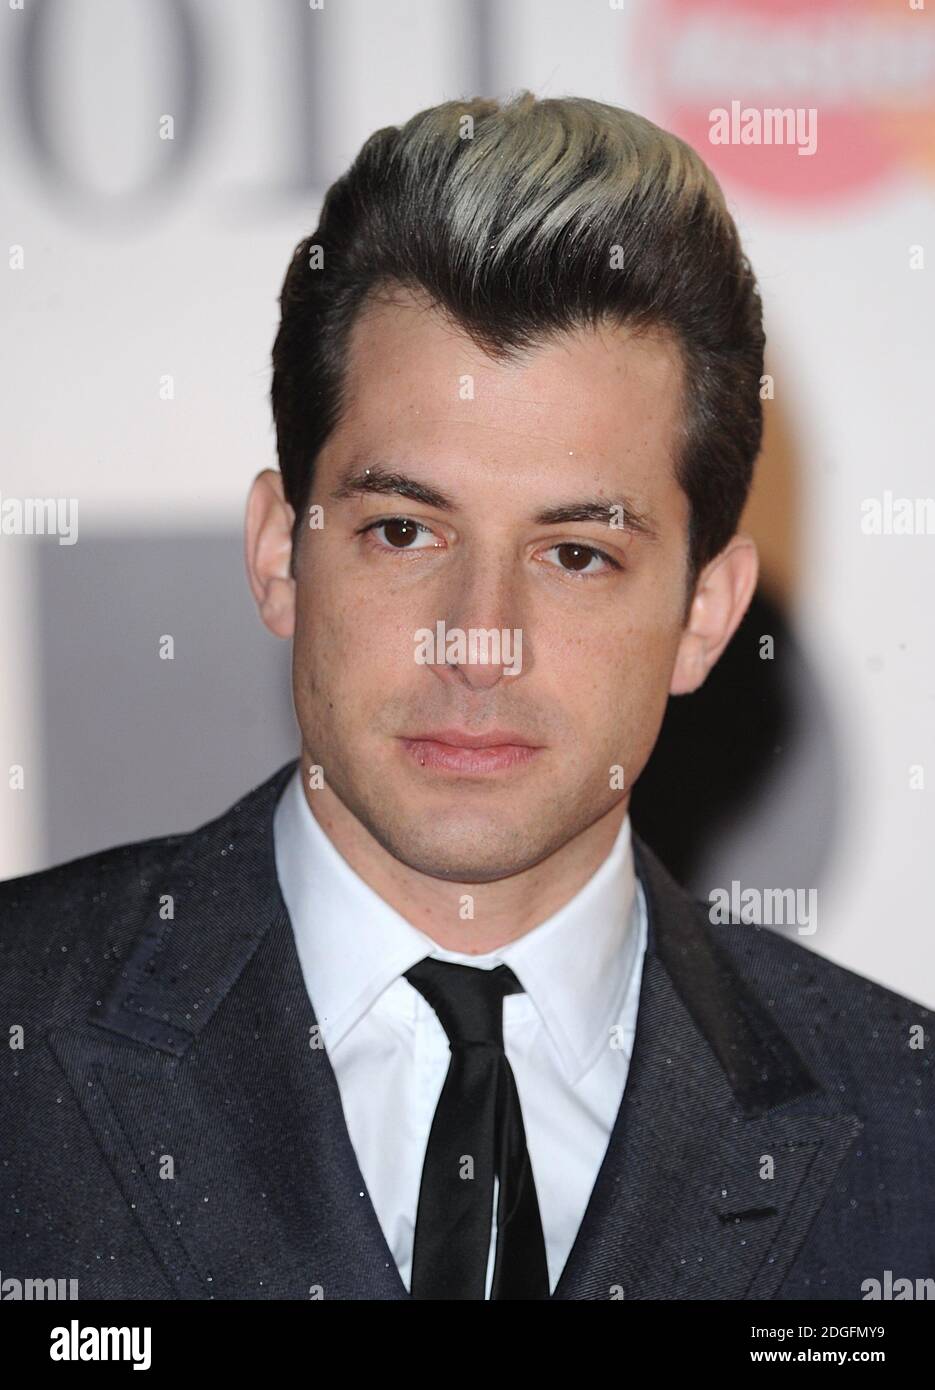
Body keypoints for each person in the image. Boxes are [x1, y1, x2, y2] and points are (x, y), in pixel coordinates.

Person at [1, 92, 931, 1302]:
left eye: (577, 554)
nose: (478, 638)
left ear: (705, 612)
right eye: (401, 530)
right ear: (281, 553)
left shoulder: (904, 1137)